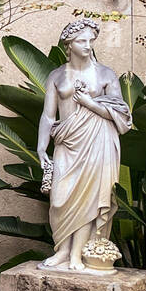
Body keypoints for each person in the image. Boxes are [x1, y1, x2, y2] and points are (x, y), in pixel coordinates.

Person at [36, 19, 132, 271]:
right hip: (67, 144)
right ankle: (62, 251)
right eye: (81, 41)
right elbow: (48, 116)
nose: (88, 45)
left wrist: (90, 103)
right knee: (60, 198)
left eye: (91, 40)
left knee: (88, 199)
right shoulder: (56, 76)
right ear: (69, 44)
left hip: (97, 143)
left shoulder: (105, 74)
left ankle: (76, 255)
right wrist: (40, 148)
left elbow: (122, 114)